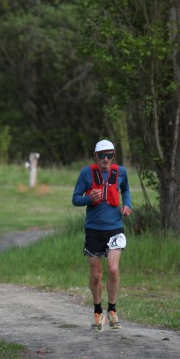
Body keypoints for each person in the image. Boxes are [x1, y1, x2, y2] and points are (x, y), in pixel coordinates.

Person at [72, 139, 133, 331]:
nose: (106, 159)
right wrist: (89, 198)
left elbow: (126, 190)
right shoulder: (86, 173)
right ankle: (97, 311)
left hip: (115, 228)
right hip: (94, 229)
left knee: (113, 269)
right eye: (102, 155)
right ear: (95, 156)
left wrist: (127, 205)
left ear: (113, 156)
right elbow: (75, 199)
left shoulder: (120, 172)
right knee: (96, 274)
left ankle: (112, 310)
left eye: (110, 155)